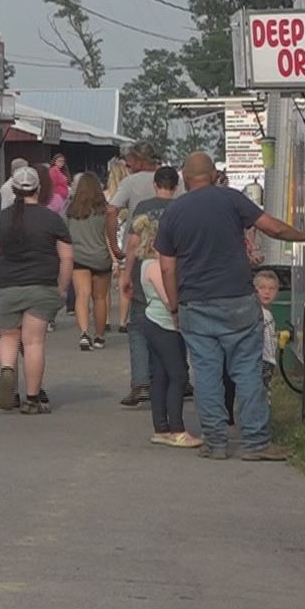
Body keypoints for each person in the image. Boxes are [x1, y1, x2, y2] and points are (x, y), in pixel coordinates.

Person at [154, 152, 305, 461]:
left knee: (206, 373)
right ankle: (256, 442)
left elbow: (166, 268)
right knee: (247, 371)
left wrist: (175, 307)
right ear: (214, 175)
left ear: (185, 181)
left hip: (195, 304)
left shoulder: (173, 213)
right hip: (237, 301)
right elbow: (273, 228)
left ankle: (215, 443)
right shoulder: (231, 199)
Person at [0, 166, 72, 413]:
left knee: (8, 336)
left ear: (13, 189)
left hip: (7, 284)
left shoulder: (0, 219)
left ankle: (8, 369)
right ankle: (32, 399)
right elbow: (66, 257)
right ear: (38, 190)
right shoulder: (52, 218)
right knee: (33, 343)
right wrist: (62, 288)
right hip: (42, 286)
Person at [133, 215, 197, 448]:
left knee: (161, 376)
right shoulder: (154, 267)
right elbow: (168, 295)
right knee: (178, 375)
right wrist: (177, 310)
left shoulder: (147, 265)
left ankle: (161, 428)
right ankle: (177, 430)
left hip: (157, 323)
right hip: (165, 325)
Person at [118, 164, 178, 408]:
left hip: (145, 270)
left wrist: (127, 274)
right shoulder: (180, 208)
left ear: (155, 184)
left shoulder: (144, 208)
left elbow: (132, 244)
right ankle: (178, 376)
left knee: (139, 326)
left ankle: (141, 381)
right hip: (173, 272)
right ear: (176, 187)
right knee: (174, 325)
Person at [108, 144, 160, 399]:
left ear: (138, 162)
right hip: (173, 256)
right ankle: (178, 378)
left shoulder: (131, 183)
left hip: (140, 254)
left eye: (129, 163)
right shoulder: (175, 181)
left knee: (138, 321)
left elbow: (111, 209)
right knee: (174, 320)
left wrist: (113, 243)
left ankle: (141, 381)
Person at [62, 172, 114, 351]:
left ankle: (84, 333)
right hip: (101, 258)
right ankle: (99, 336)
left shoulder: (71, 210)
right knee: (99, 298)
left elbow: (64, 235)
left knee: (82, 296)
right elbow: (110, 236)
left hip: (79, 258)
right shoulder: (104, 211)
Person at [254, 270, 282, 394]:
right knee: (263, 394)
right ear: (255, 290)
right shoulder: (263, 315)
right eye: (262, 288)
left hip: (264, 360)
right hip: (263, 360)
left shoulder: (266, 314)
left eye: (272, 288)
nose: (267, 292)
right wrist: (272, 359)